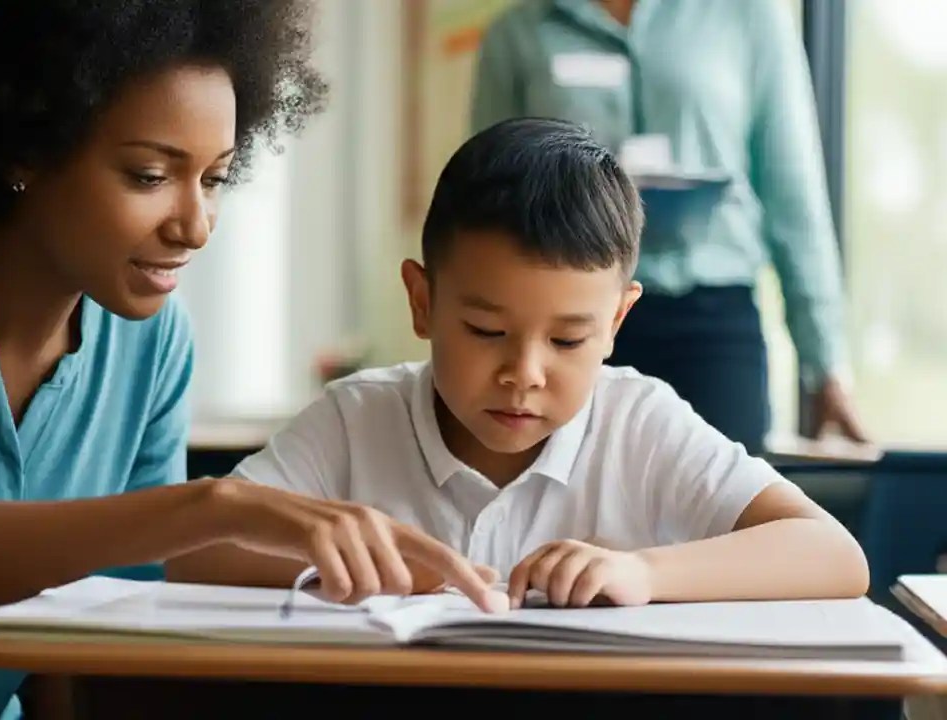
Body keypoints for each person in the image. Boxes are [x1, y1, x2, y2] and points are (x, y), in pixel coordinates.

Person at [0, 2, 501, 718]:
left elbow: (112, 607)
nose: (196, 224)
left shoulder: (150, 340)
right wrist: (219, 505)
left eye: (214, 177)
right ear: (21, 144)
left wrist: (393, 565)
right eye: (149, 175)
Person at [167, 118, 870, 610]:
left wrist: (643, 571)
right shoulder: (357, 419)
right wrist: (364, 563)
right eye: (484, 329)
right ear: (422, 301)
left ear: (616, 323)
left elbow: (835, 556)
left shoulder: (639, 423)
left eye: (567, 341)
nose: (524, 372)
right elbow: (192, 553)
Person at [468, 0, 867, 454]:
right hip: (566, 319)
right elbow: (487, 197)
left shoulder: (748, 16)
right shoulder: (520, 31)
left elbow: (793, 194)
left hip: (712, 325)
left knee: (724, 512)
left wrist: (826, 365)